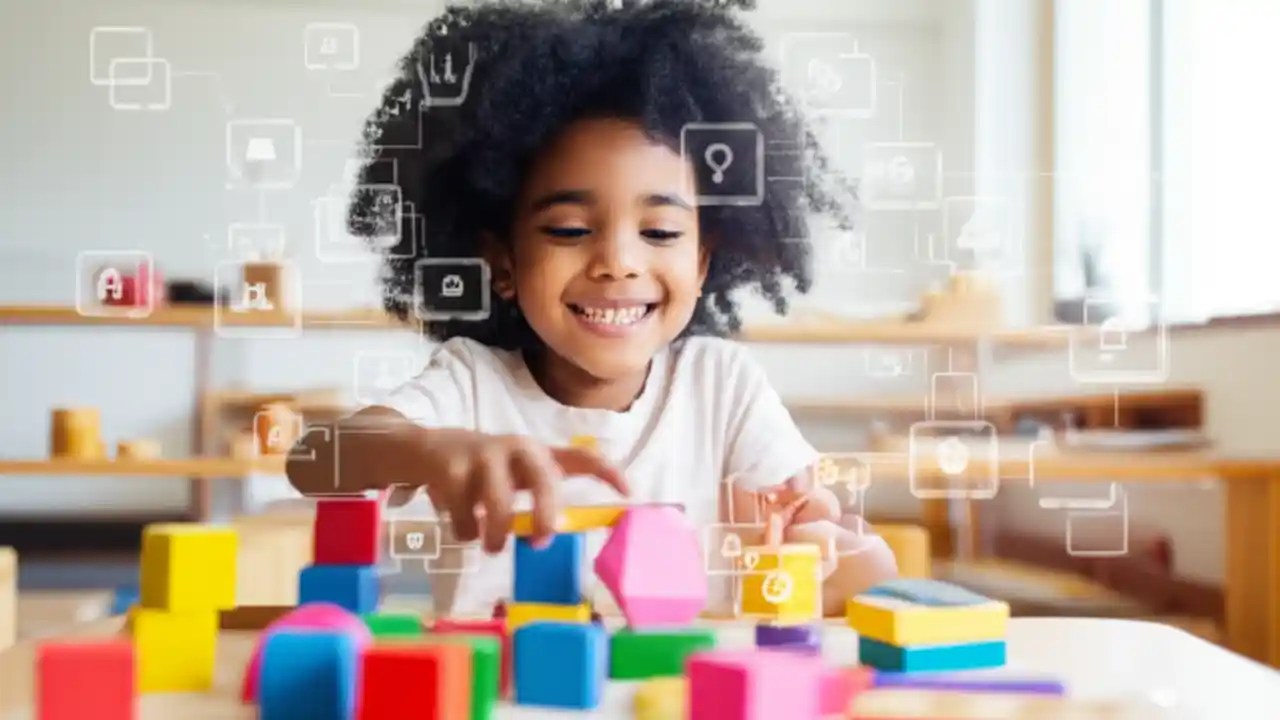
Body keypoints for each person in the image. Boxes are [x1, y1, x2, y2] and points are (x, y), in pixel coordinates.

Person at [288, 0, 897, 617]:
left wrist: (825, 549)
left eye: (659, 233)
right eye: (570, 230)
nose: (617, 262)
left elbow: (844, 565)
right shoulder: (472, 384)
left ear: (704, 262)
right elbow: (312, 460)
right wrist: (428, 450)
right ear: (503, 262)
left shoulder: (724, 388)